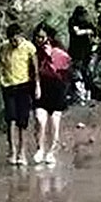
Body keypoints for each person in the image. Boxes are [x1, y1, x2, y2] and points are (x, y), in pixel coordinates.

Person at [0, 23, 40, 166]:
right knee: (10, 119)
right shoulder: (4, 47)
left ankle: (22, 152)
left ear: (21, 36)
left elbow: (35, 68)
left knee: (23, 121)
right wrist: (0, 76)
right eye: (12, 40)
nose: (14, 43)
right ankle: (12, 151)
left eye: (16, 40)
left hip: (24, 85)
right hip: (8, 86)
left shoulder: (29, 47)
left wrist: (37, 86)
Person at [32, 24, 71, 166]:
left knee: (55, 122)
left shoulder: (59, 52)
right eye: (37, 37)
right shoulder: (34, 52)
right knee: (39, 120)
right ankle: (40, 148)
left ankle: (52, 151)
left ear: (48, 37)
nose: (39, 39)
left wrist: (50, 55)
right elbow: (34, 71)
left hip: (57, 88)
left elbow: (63, 71)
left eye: (42, 37)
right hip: (41, 87)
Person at [66, 5, 95, 105]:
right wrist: (88, 31)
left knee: (86, 72)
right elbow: (76, 32)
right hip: (76, 51)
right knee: (76, 73)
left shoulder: (88, 23)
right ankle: (79, 95)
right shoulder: (73, 21)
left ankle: (87, 94)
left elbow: (94, 36)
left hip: (86, 51)